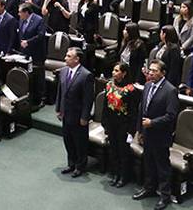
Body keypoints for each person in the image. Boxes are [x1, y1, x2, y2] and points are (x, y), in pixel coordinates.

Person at [133, 59, 179, 210]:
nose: (151, 73)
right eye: (150, 70)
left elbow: (171, 115)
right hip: (147, 134)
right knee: (149, 163)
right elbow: (142, 109)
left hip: (160, 135)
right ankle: (149, 188)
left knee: (162, 167)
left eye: (155, 71)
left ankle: (165, 196)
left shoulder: (170, 90)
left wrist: (153, 123)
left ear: (163, 73)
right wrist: (140, 129)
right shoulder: (147, 86)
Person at [56, 48, 94, 178]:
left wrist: (85, 116)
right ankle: (71, 163)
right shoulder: (63, 71)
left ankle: (80, 166)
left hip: (78, 116)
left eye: (68, 56)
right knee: (68, 140)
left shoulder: (86, 75)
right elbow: (60, 92)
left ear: (77, 59)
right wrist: (58, 109)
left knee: (79, 142)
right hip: (66, 113)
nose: (65, 58)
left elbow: (88, 99)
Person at [102, 62, 138, 187]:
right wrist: (104, 123)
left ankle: (124, 176)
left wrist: (131, 131)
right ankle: (115, 173)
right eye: (113, 70)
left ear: (124, 73)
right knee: (113, 150)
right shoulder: (109, 85)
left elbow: (134, 112)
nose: (113, 73)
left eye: (117, 71)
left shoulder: (131, 90)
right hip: (111, 123)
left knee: (123, 152)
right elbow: (105, 106)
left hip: (124, 125)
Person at [17, 3, 46, 106]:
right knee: (29, 75)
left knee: (39, 76)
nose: (18, 14)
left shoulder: (39, 20)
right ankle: (30, 97)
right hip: (26, 52)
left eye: (20, 12)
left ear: (26, 12)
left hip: (37, 53)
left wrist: (28, 42)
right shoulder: (21, 20)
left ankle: (41, 98)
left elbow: (41, 35)